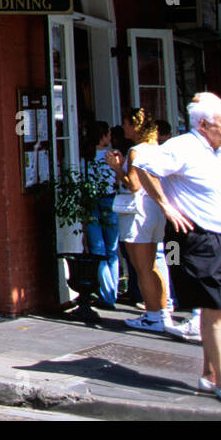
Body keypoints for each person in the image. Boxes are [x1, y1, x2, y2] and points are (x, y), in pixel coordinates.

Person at [131, 92, 221, 400]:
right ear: (205, 124)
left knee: (217, 312)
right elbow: (142, 164)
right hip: (196, 238)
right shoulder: (183, 147)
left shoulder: (216, 151)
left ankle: (209, 375)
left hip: (219, 236)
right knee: (215, 311)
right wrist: (166, 206)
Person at [109, 107, 173, 331]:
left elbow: (133, 185)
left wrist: (117, 168)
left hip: (138, 213)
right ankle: (162, 311)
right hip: (154, 210)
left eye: (127, 123)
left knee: (142, 267)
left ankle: (153, 315)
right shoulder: (156, 149)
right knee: (153, 265)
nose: (124, 127)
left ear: (135, 126)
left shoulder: (136, 151)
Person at [81, 120, 120, 309]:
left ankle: (107, 292)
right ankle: (112, 294)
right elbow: (118, 179)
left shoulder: (85, 156)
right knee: (112, 251)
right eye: (108, 134)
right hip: (110, 200)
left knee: (98, 250)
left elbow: (81, 179)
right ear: (103, 136)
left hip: (92, 201)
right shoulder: (112, 155)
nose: (110, 138)